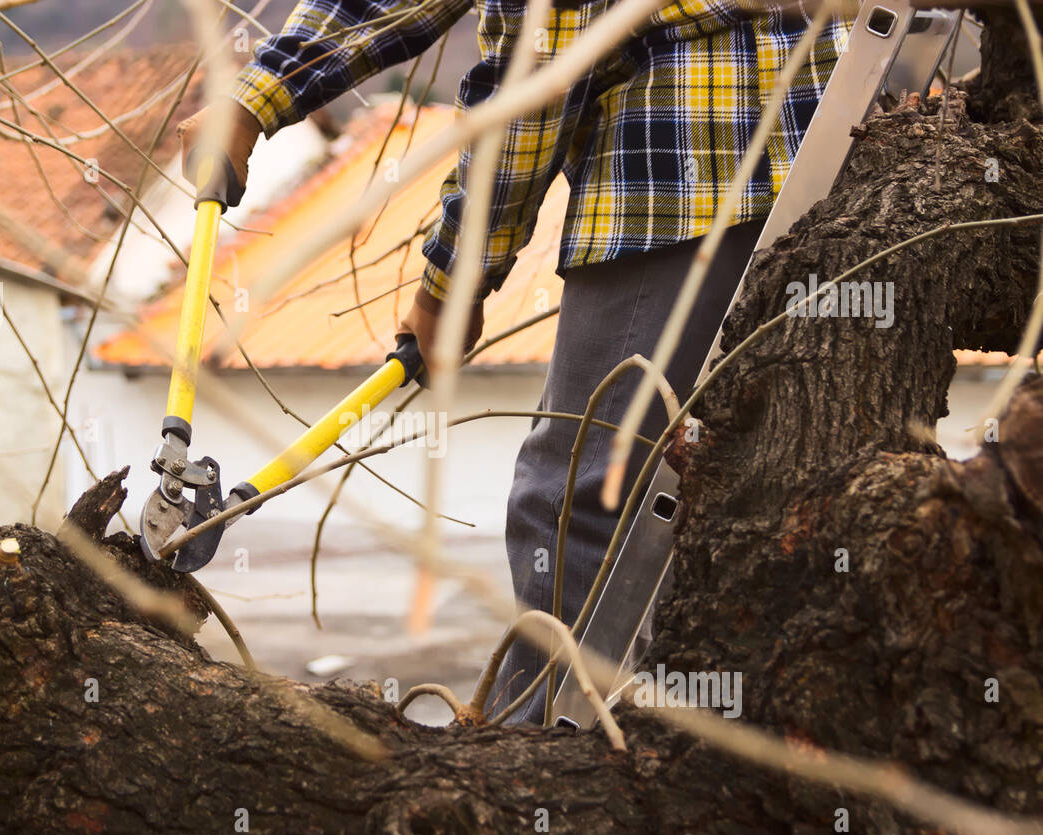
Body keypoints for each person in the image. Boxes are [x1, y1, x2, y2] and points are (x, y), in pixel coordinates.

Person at [179, 0, 849, 723]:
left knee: (579, 507)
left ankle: (536, 783)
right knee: (769, 495)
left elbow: (536, 75)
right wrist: (257, 97)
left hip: (689, 171)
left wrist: (451, 284)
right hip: (835, 144)